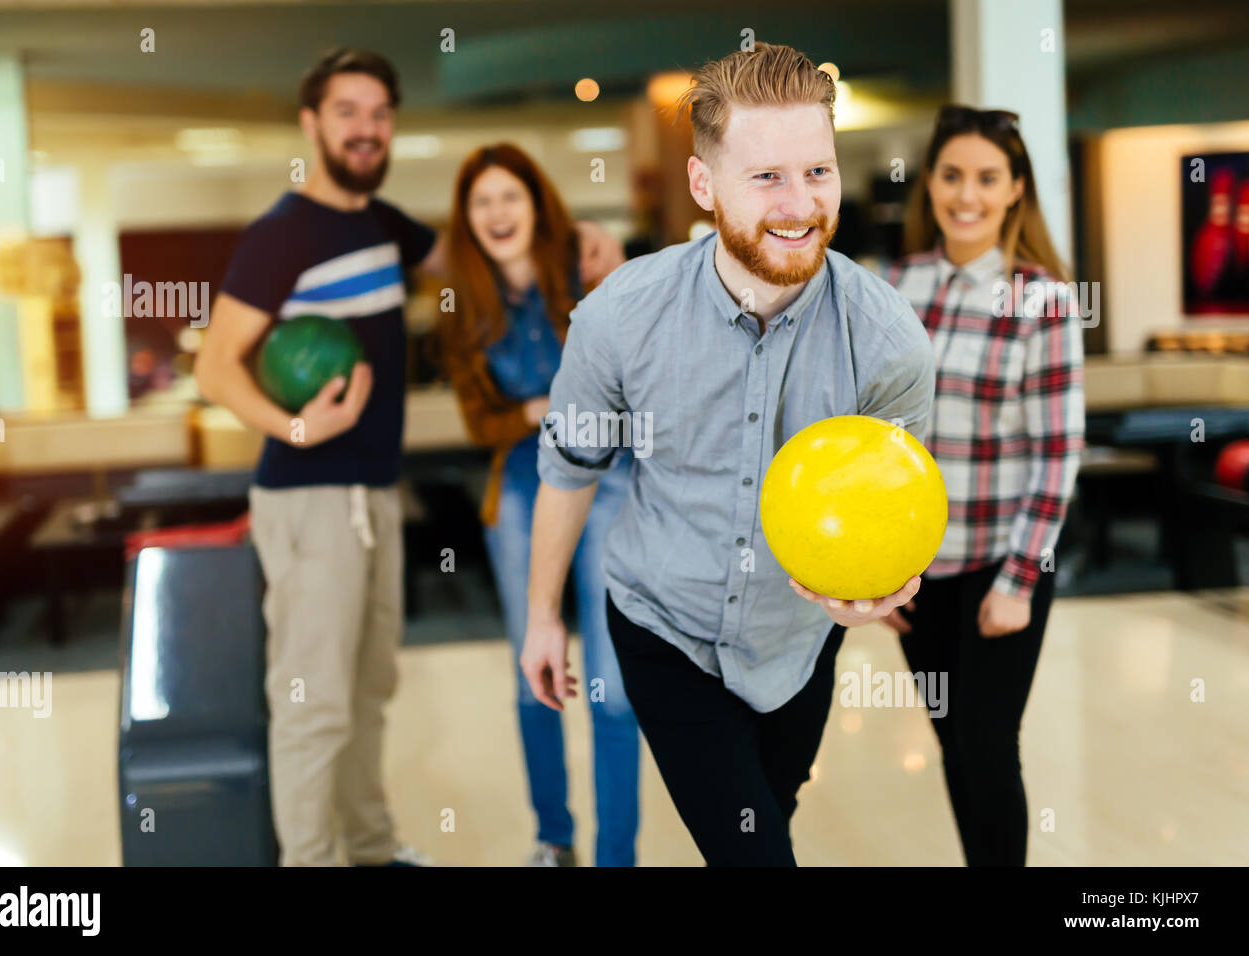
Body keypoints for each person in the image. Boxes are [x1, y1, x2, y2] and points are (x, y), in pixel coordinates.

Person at [195, 47, 622, 867]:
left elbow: (478, 250)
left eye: (379, 114)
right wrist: (295, 429)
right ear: (311, 124)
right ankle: (313, 860)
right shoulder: (279, 237)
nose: (366, 129)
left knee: (369, 693)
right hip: (308, 495)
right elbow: (216, 366)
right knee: (315, 704)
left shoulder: (380, 223)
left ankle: (371, 846)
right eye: (347, 112)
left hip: (373, 493)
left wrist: (583, 235)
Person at [520, 42, 936, 867]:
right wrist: (540, 618)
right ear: (704, 187)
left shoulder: (888, 340)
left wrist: (879, 592)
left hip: (796, 644)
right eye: (767, 177)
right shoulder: (621, 317)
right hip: (661, 624)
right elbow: (569, 473)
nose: (800, 203)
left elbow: (896, 502)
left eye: (818, 172)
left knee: (756, 829)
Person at [885, 104, 1086, 866]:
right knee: (951, 744)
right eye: (951, 175)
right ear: (929, 185)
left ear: (1015, 190)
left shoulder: (1044, 300)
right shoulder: (894, 286)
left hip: (1003, 568)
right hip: (917, 569)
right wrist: (876, 576)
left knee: (986, 740)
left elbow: (1057, 451)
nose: (966, 195)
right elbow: (875, 440)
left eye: (987, 178)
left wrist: (1019, 578)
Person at [438, 143, 639, 867]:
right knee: (538, 671)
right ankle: (554, 840)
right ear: (468, 218)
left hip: (611, 481)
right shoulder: (463, 305)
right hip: (524, 490)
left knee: (614, 684)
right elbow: (480, 422)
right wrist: (543, 410)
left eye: (509, 197)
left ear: (536, 204)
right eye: (481, 202)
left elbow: (631, 370)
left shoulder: (586, 266)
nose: (497, 213)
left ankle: (619, 855)